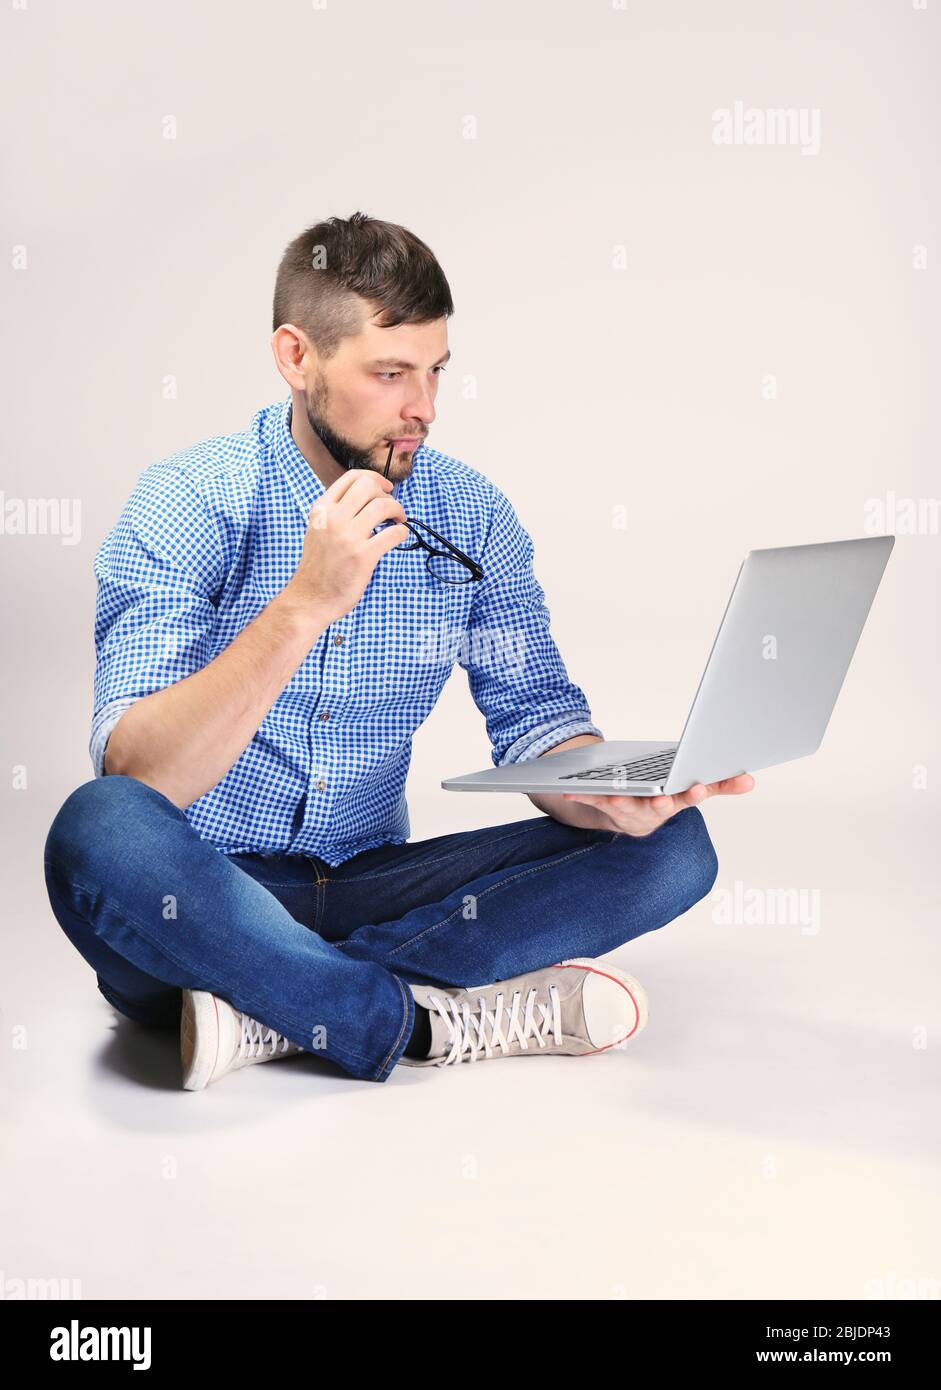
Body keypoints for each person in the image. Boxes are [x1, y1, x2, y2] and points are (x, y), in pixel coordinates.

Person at [43, 212, 753, 1090]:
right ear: (296, 358)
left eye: (433, 373)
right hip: (205, 897)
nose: (421, 408)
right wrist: (305, 605)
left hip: (370, 882)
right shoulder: (189, 502)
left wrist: (610, 793)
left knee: (674, 851)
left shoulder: (470, 514)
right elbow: (142, 776)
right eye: (389, 374)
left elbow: (537, 721)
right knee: (97, 826)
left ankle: (279, 1009)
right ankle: (412, 1021)